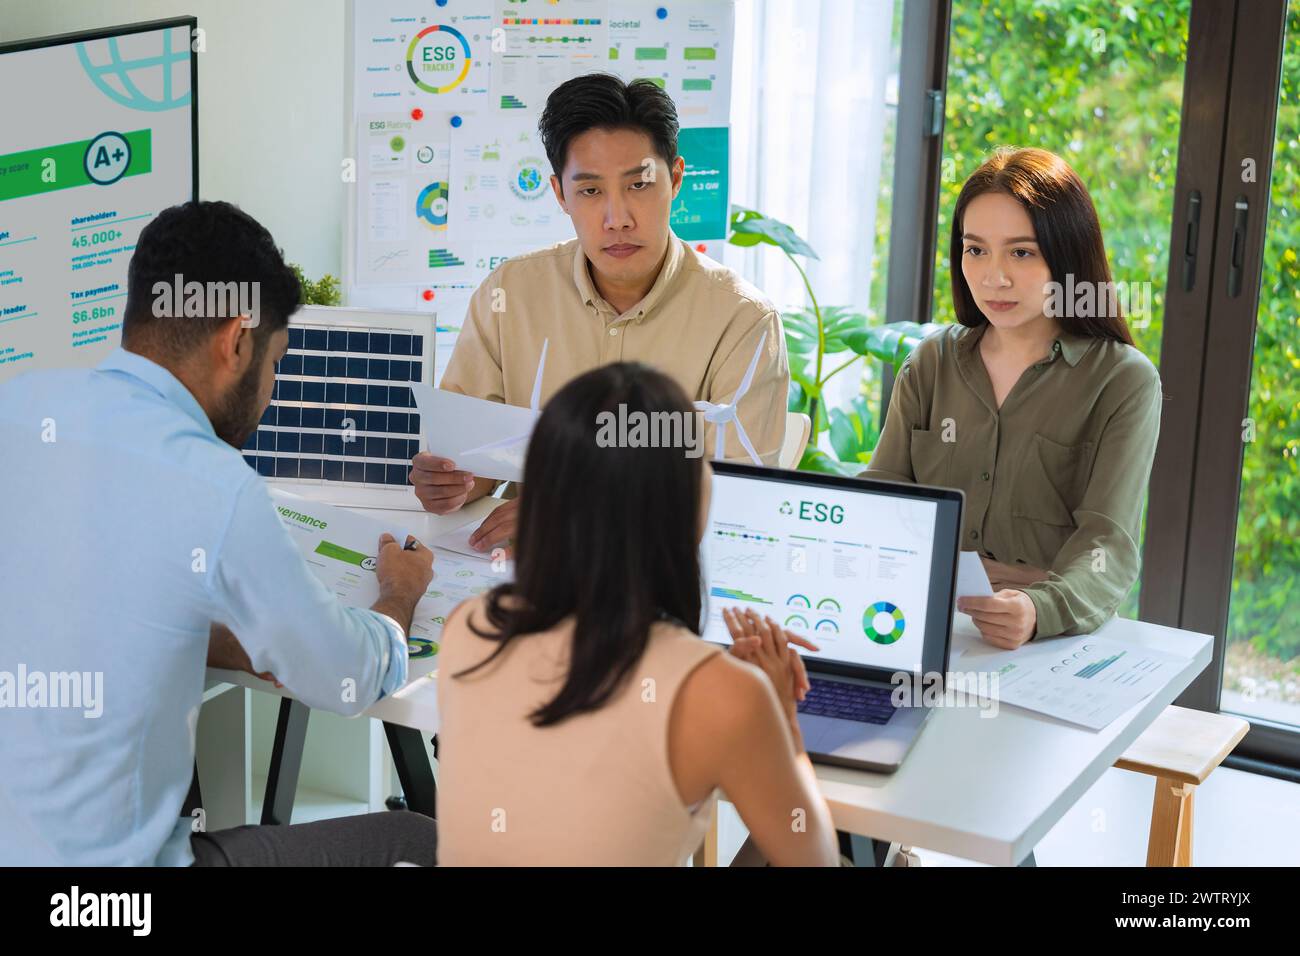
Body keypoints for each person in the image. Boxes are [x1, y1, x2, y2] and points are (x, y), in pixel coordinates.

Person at [0, 201, 439, 865]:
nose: (269, 389)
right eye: (275, 361)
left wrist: (214, 641)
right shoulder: (214, 484)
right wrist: (397, 601)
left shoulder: (20, 406)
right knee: (417, 841)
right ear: (238, 341)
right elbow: (344, 677)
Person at [435, 363, 839, 866]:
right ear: (682, 501)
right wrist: (781, 721)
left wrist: (711, 678)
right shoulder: (729, 696)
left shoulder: (469, 627)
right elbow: (814, 859)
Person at [411, 73, 790, 555]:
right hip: (524, 572)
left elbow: (740, 502)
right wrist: (452, 483)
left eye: (639, 184)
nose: (618, 218)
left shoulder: (742, 319)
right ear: (559, 194)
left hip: (664, 576)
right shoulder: (509, 294)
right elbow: (474, 460)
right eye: (590, 191)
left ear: (675, 178)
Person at [862, 147, 1162, 645]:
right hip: (913, 619)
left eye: (1021, 252)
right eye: (975, 249)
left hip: (1051, 638)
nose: (992, 277)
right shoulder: (930, 364)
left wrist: (1036, 607)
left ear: (1066, 255)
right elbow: (883, 498)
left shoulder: (1122, 381)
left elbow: (1107, 545)